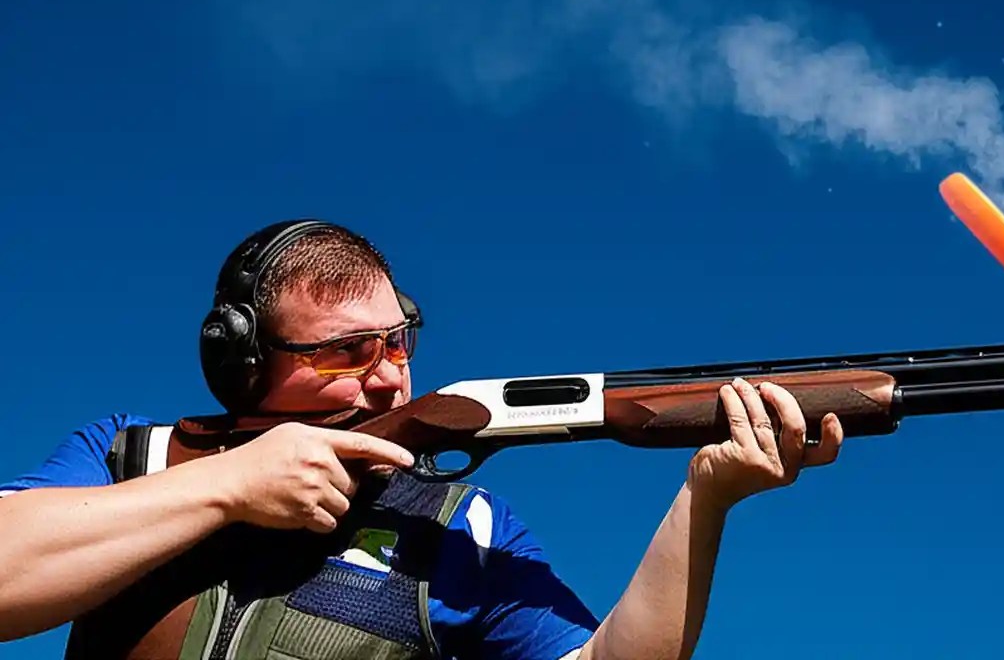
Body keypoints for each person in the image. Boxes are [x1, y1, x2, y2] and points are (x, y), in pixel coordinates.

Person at [0, 219, 847, 659]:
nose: (388, 378)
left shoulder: (460, 524)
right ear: (242, 361)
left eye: (398, 341)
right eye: (344, 353)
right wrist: (228, 487)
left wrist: (709, 496)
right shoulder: (132, 458)